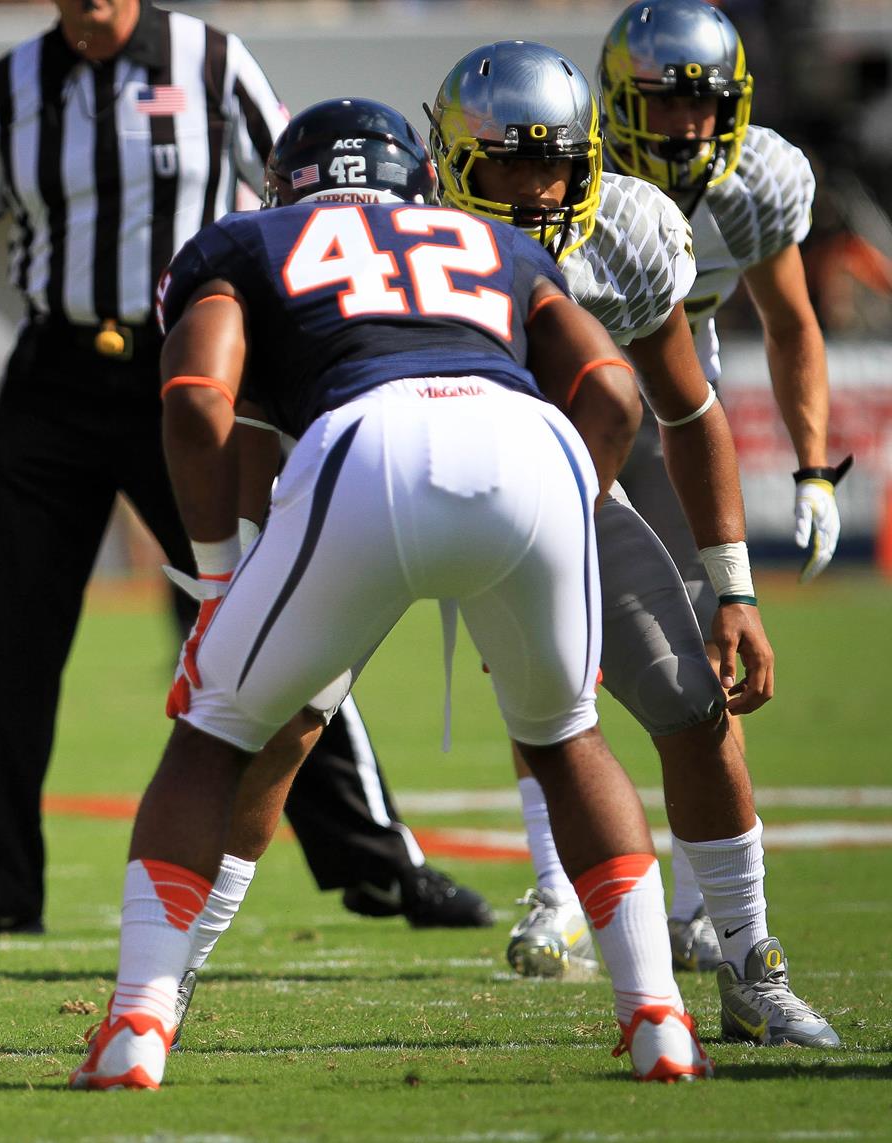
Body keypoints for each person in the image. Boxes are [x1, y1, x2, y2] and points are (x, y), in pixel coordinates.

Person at [69, 98, 711, 1090]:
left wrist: (214, 576)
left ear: (285, 185)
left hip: (366, 442)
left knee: (213, 730)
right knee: (566, 736)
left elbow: (195, 398)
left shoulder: (244, 240)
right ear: (417, 179)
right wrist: (554, 523)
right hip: (527, 442)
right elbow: (615, 392)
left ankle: (137, 1025)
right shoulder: (487, 241)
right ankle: (657, 1018)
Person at [0, 0, 489, 941]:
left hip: (186, 360)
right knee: (14, 636)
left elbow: (303, 186)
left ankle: (382, 864)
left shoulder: (213, 60)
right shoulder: (7, 87)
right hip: (52, 373)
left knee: (274, 608)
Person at [426, 40, 836, 1046]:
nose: (538, 190)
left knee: (691, 707)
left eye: (556, 163)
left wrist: (732, 587)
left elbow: (687, 410)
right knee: (264, 713)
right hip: (392, 481)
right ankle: (152, 988)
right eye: (510, 165)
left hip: (560, 487)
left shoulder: (627, 228)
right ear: (449, 165)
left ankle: (746, 962)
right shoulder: (397, 226)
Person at [598, 0, 850, 977]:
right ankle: (556, 895)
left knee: (706, 645)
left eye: (705, 102)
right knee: (546, 651)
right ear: (619, 104)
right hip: (559, 409)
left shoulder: (757, 178)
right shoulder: (578, 172)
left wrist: (813, 467)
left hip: (672, 410)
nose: (689, 123)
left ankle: (700, 907)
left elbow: (789, 323)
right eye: (665, 102)